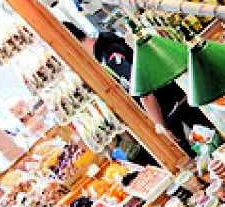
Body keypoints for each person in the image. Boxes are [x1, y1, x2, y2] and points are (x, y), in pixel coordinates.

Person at [62, 21, 204, 155]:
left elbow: (144, 91)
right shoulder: (106, 42)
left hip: (170, 108)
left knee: (199, 148)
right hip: (172, 102)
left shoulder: (109, 55)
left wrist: (161, 127)